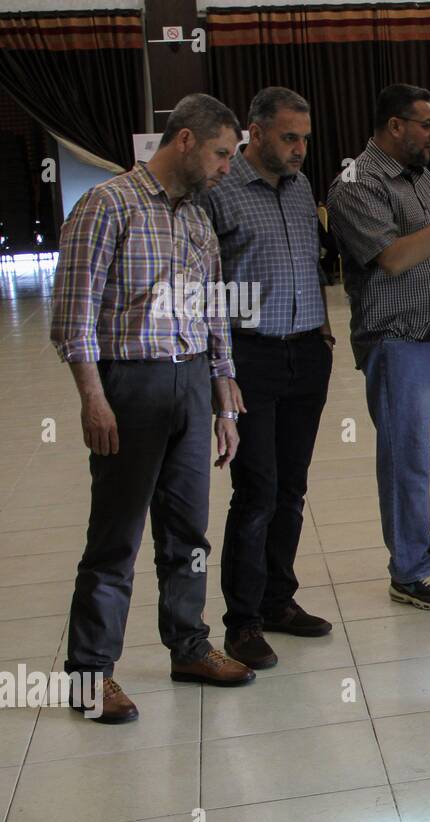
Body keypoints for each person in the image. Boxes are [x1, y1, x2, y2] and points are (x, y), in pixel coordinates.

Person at [50, 93, 255, 723]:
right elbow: (73, 314)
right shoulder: (106, 205)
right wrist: (92, 397)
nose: (228, 166)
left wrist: (224, 396)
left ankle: (188, 644)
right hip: (129, 387)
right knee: (116, 537)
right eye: (222, 153)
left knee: (188, 531)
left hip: (191, 385)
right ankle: (90, 674)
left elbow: (214, 309)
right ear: (186, 141)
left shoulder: (197, 217)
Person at [327, 84, 430, 611]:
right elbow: (394, 259)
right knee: (407, 460)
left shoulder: (418, 175)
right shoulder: (355, 184)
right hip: (396, 340)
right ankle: (409, 570)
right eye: (427, 124)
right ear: (395, 126)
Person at [201, 86, 335, 671]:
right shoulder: (220, 190)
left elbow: (309, 264)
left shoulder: (302, 186)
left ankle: (280, 601)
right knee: (256, 491)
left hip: (306, 353)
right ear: (255, 133)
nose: (300, 148)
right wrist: (218, 369)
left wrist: (325, 334)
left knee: (292, 489)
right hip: (249, 357)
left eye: (304, 138)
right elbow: (204, 287)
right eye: (289, 137)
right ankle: (243, 622)